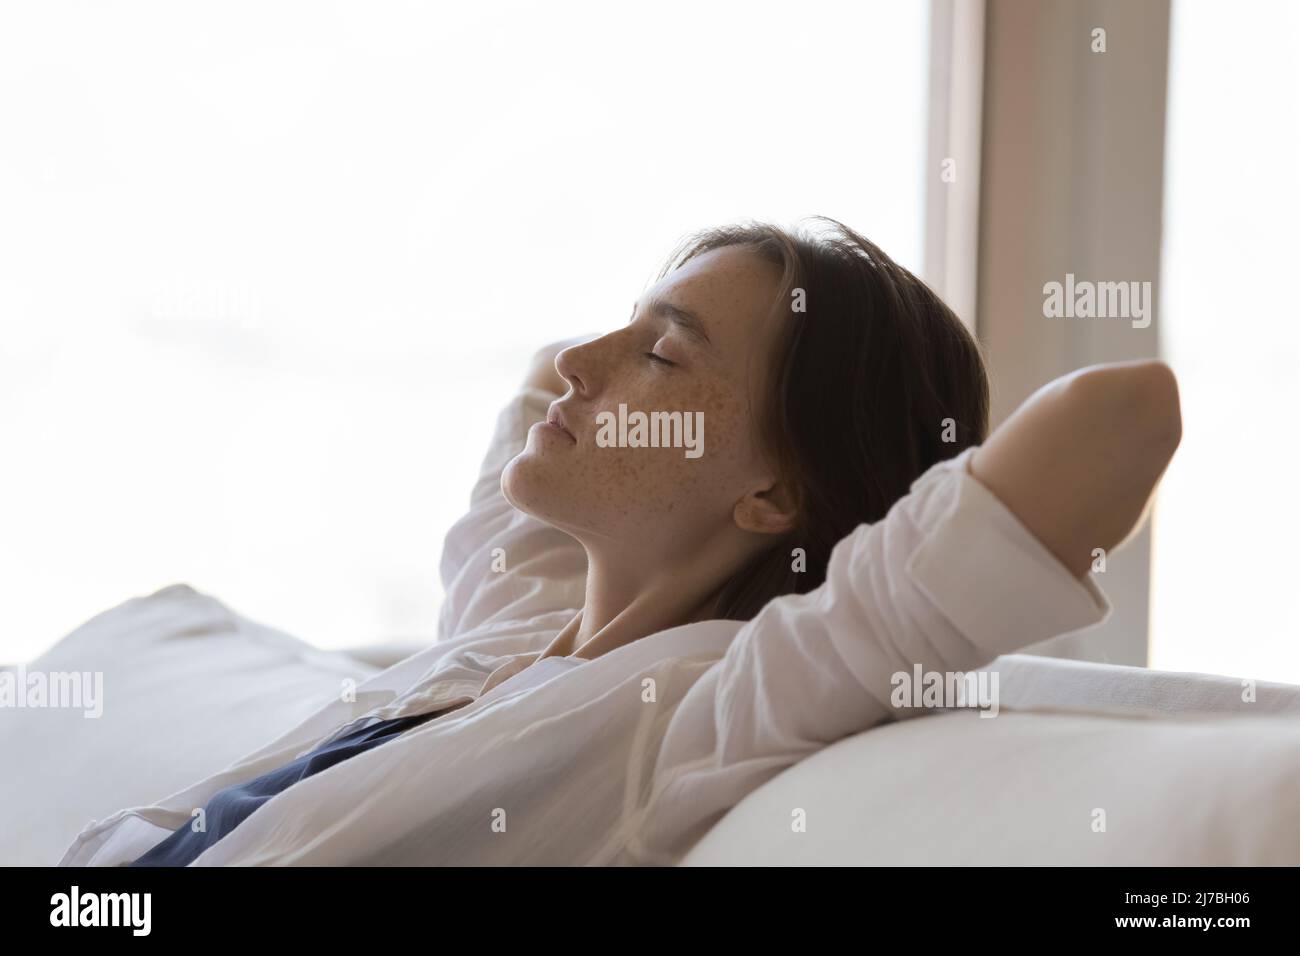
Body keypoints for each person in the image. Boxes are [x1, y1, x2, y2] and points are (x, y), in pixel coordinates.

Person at [62, 218, 1181, 866]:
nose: (577, 365)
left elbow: (1126, 413)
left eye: (663, 354)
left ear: (774, 496)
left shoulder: (719, 705)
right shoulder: (517, 624)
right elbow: (542, 372)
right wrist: (677, 328)